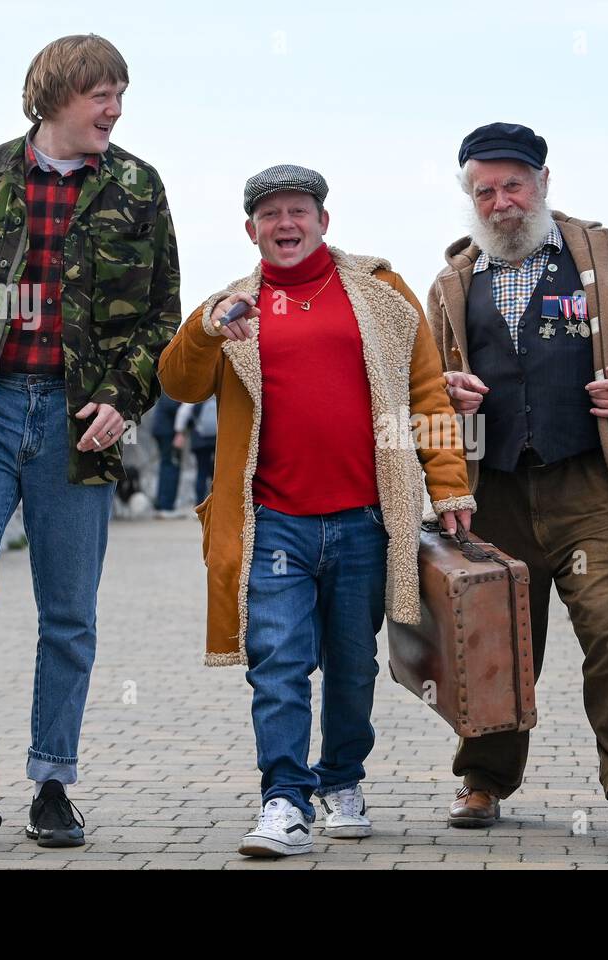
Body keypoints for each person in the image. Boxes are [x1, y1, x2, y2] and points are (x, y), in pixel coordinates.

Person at [0, 34, 181, 847]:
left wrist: (125, 400)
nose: (115, 109)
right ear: (55, 94)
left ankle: (53, 782)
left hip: (74, 426)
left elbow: (164, 315)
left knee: (68, 615)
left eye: (121, 94)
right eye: (101, 94)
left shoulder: (137, 187)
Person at [158, 165, 474, 858]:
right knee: (277, 662)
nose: (286, 225)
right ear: (252, 231)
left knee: (352, 666)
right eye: (270, 215)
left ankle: (343, 781)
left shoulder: (381, 295)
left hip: (366, 519)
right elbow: (177, 382)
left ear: (323, 220)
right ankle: (284, 801)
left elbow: (427, 396)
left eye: (298, 211)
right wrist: (207, 331)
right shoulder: (230, 308)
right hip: (272, 520)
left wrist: (449, 487)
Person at [429, 123, 608, 847]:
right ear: (470, 197)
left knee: (606, 625)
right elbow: (425, 386)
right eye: (486, 191)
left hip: (592, 486)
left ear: (542, 184)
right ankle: (484, 779)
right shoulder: (451, 282)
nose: (502, 202)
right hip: (496, 491)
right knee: (493, 638)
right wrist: (447, 391)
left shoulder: (595, 253)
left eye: (514, 186)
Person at [150, 389, 185, 517]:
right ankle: (166, 505)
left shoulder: (169, 387)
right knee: (170, 466)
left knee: (166, 465)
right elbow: (172, 406)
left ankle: (162, 503)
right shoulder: (173, 389)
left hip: (164, 430)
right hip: (167, 431)